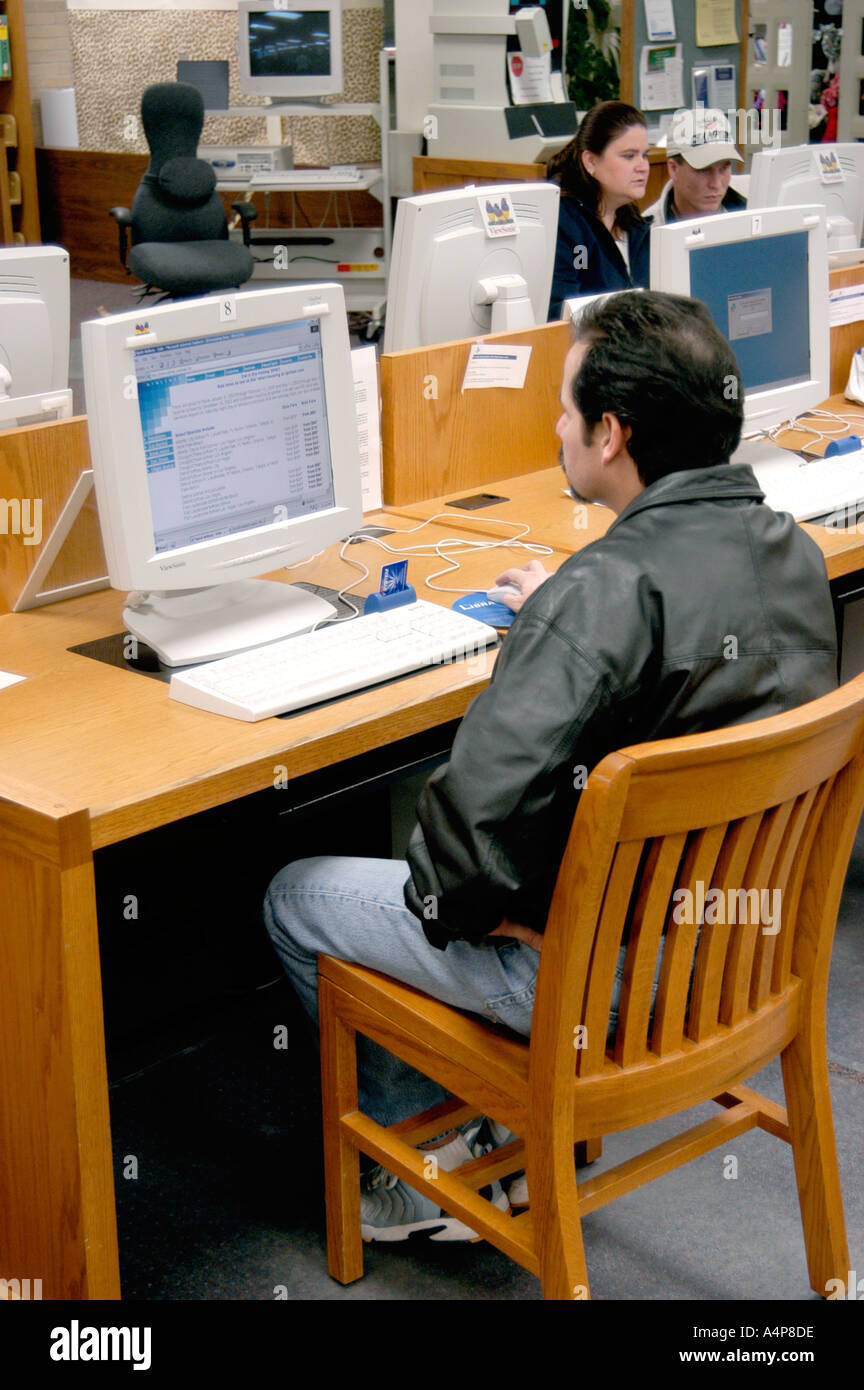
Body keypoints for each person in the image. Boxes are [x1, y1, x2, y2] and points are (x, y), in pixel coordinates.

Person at [264, 290, 838, 1242]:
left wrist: (565, 630)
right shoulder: (793, 554)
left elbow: (460, 867)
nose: (556, 427)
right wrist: (562, 623)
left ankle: (424, 1173)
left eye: (567, 411)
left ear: (611, 434)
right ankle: (503, 1132)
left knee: (297, 892)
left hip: (601, 993)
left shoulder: (601, 594)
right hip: (739, 966)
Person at [546, 100, 651, 318]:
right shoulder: (564, 224)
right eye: (629, 156)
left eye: (645, 155)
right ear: (591, 161)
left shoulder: (636, 225)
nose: (642, 166)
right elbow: (559, 316)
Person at [644, 107, 746, 226]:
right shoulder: (645, 236)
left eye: (724, 168)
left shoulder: (753, 214)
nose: (716, 184)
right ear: (673, 168)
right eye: (703, 170)